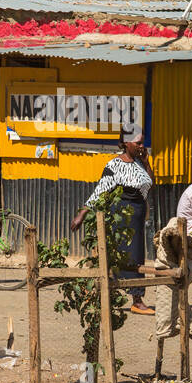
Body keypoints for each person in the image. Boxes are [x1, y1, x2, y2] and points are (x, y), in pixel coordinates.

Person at [71, 132, 154, 314]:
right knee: (120, 255)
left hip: (137, 218)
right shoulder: (114, 165)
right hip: (122, 217)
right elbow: (100, 190)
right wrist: (82, 214)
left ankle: (137, 299)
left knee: (137, 255)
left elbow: (149, 183)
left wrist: (147, 161)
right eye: (138, 143)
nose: (142, 146)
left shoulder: (140, 163)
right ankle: (110, 296)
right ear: (126, 143)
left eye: (142, 142)